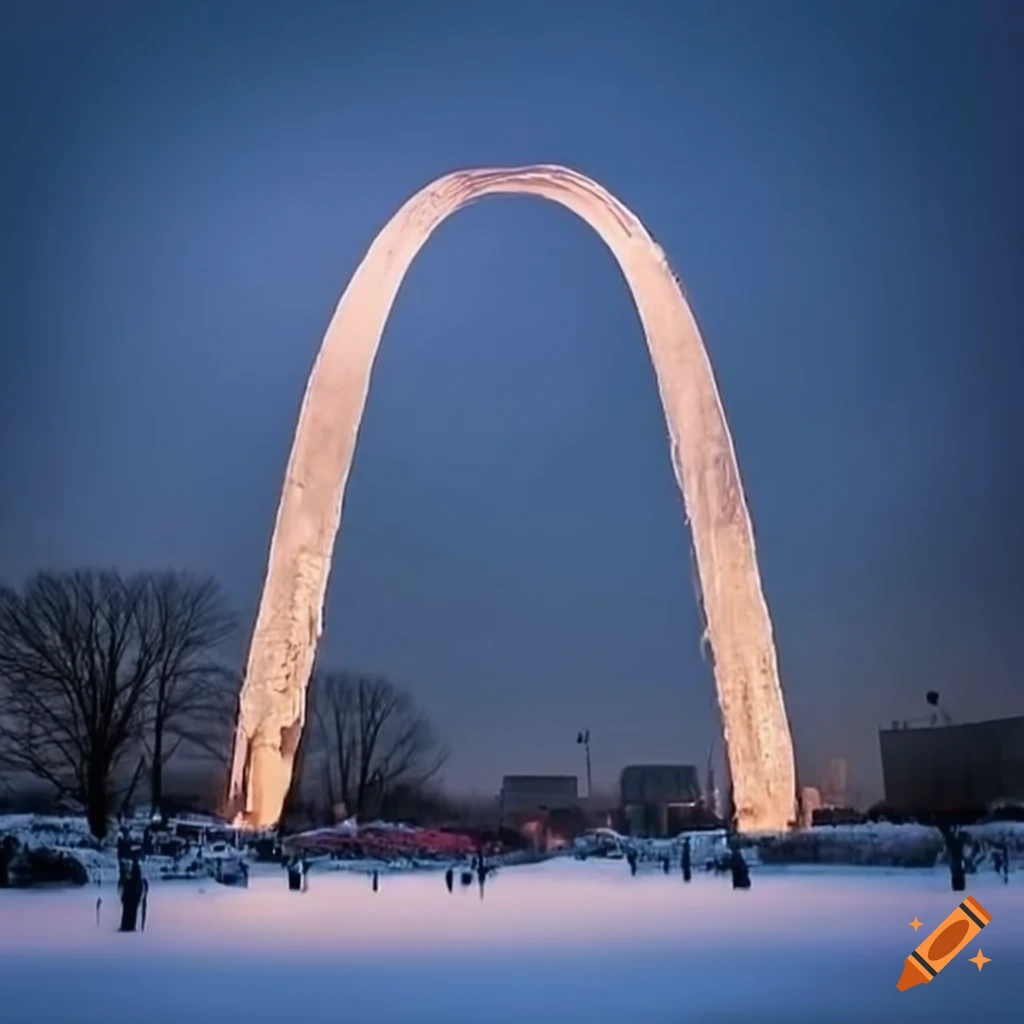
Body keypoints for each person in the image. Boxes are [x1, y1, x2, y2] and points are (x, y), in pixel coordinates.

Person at [118, 858, 148, 932]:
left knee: (129, 911)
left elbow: (128, 881)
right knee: (131, 911)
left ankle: (127, 926)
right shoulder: (135, 871)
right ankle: (129, 926)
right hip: (133, 894)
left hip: (131, 895)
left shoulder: (133, 871)